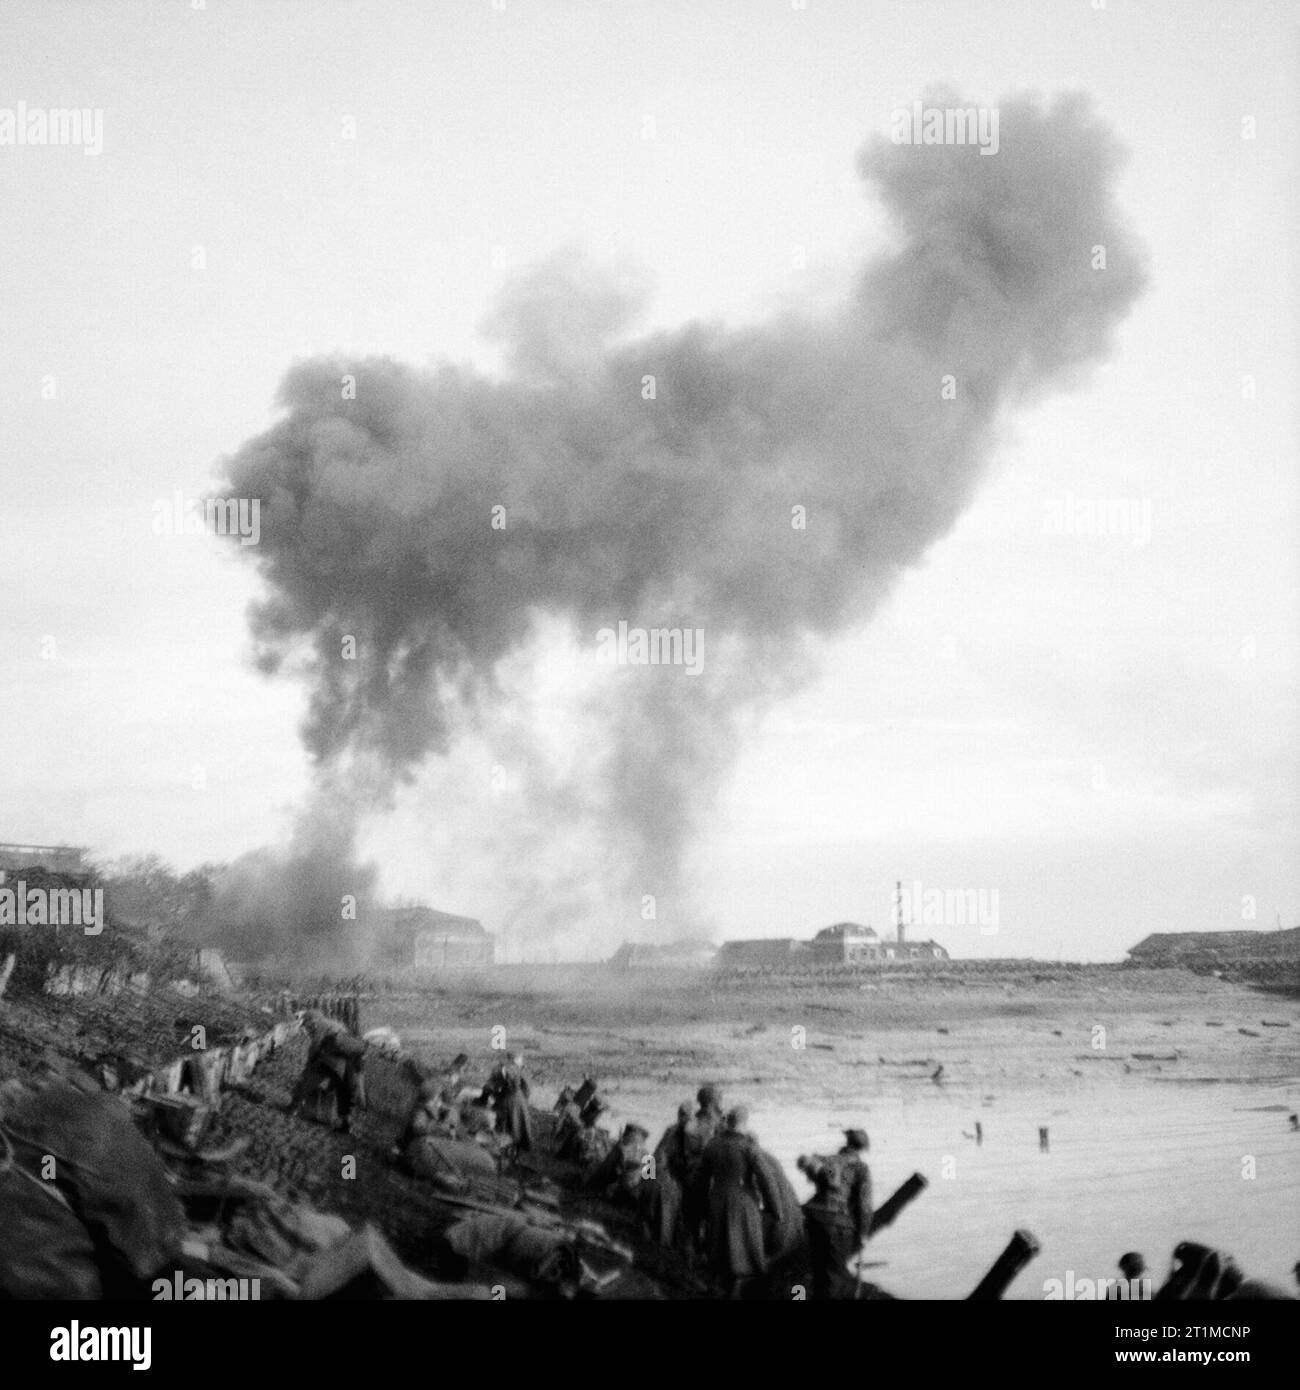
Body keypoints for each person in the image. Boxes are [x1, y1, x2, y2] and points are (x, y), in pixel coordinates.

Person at [696, 1105, 783, 1297]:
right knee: (744, 1251)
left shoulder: (712, 1145)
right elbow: (766, 1180)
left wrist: (701, 1209)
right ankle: (736, 1288)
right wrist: (775, 1209)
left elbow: (701, 1181)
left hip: (717, 1200)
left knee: (718, 1248)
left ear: (727, 1123)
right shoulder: (749, 1148)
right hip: (744, 1204)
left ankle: (717, 1286)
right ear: (744, 1124)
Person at [290, 1010, 367, 1133]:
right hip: (345, 1062)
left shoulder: (320, 1024)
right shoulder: (335, 1024)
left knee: (308, 1080)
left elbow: (315, 1045)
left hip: (329, 1059)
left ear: (311, 1020)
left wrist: (309, 1062)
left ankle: (293, 1108)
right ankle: (346, 1124)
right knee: (343, 1092)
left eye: (306, 1024)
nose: (306, 1028)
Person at [799, 1154, 857, 1299]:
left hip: (824, 1278)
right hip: (840, 1269)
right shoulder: (846, 1212)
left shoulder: (810, 1209)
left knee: (824, 1280)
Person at [642, 1103, 693, 1255]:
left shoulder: (669, 1130)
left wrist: (645, 1181)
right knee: (666, 1237)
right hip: (667, 1185)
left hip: (652, 1179)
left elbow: (652, 1157)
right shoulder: (690, 1136)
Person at [586, 1122, 650, 1205]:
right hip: (641, 1199)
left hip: (625, 1195)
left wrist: (591, 1185)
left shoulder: (622, 1149)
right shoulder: (648, 1156)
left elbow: (606, 1172)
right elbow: (650, 1181)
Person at [487, 1052, 534, 1153]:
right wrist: (524, 1099)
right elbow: (527, 1088)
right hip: (517, 1099)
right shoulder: (520, 1069)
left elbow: (492, 1085)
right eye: (521, 1059)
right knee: (519, 1122)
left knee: (503, 1122)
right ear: (516, 1059)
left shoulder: (500, 1068)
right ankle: (518, 1144)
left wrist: (497, 1096)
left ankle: (502, 1143)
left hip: (503, 1099)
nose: (522, 1061)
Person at [571, 1097, 613, 1169]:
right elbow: (592, 1120)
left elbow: (589, 1118)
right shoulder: (592, 1113)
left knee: (583, 1145)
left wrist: (602, 1109)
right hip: (587, 1130)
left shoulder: (588, 1111)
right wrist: (603, 1109)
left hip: (584, 1130)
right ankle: (581, 1161)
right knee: (587, 1146)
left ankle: (579, 1159)